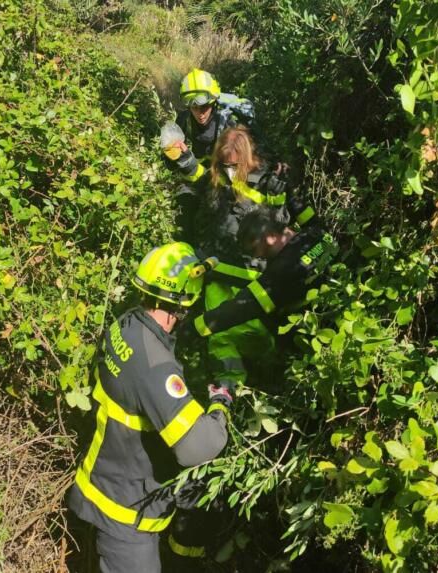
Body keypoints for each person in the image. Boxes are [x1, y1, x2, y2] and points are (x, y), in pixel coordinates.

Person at [67, 242, 235, 573]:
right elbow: (197, 448)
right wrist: (221, 405)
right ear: (187, 297)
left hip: (111, 477)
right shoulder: (157, 367)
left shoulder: (126, 325)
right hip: (126, 512)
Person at [196, 126, 314, 391]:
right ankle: (230, 391)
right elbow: (208, 218)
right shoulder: (217, 180)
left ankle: (270, 383)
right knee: (220, 334)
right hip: (220, 271)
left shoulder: (266, 179)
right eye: (223, 164)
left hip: (254, 272)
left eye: (233, 165)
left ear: (246, 158)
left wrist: (276, 198)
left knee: (260, 336)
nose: (228, 170)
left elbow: (278, 225)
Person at [193, 206, 336, 338]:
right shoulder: (317, 232)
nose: (256, 257)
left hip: (324, 331)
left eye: (254, 249)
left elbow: (241, 308)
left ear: (270, 236)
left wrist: (195, 327)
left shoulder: (281, 272)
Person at [162, 68, 255, 239]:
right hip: (196, 180)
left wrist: (189, 163)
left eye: (204, 106)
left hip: (228, 181)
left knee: (227, 223)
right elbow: (170, 164)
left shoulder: (229, 123)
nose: (200, 112)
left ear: (213, 101)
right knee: (183, 214)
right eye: (194, 106)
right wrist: (170, 155)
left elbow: (235, 177)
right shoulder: (184, 120)